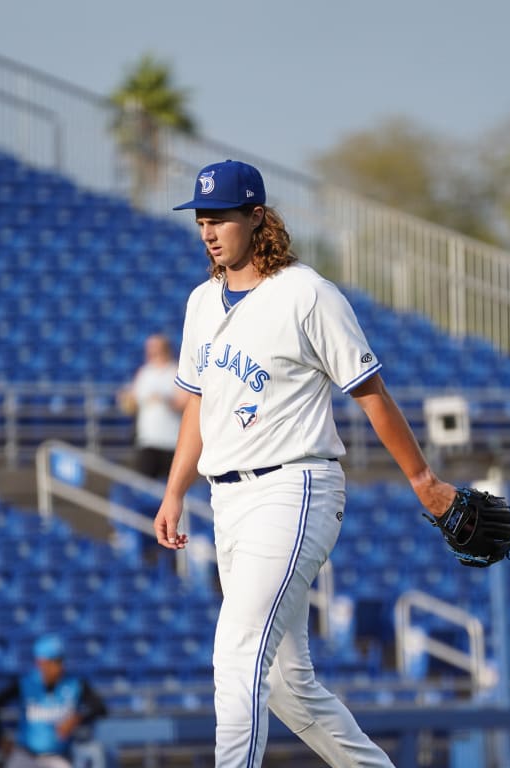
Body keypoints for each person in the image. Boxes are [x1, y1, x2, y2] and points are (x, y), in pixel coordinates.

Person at [153, 160, 457, 767]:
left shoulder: (307, 293)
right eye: (201, 219)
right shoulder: (199, 303)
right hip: (229, 500)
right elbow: (197, 409)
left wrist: (422, 479)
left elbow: (371, 393)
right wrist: (173, 491)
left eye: (222, 218)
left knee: (237, 653)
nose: (209, 231)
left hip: (294, 490)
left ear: (257, 217)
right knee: (290, 687)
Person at [0, 634, 108, 768]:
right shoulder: (26, 683)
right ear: (40, 663)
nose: (59, 667)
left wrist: (77, 718)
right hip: (25, 754)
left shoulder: (74, 684)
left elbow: (100, 708)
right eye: (53, 662)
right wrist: (0, 738)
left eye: (60, 661)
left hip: (56, 757)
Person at [118, 334, 190, 479]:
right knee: (145, 486)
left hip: (171, 441)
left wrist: (164, 400)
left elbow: (185, 404)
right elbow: (132, 405)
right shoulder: (144, 374)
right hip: (148, 440)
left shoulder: (175, 372)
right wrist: (126, 399)